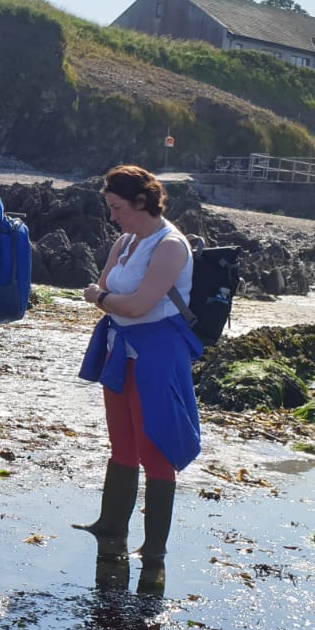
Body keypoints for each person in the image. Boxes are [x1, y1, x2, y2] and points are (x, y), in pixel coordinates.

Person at [75, 165, 202, 563]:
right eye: (110, 208)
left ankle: (154, 548)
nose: (113, 217)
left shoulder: (170, 245)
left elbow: (136, 304)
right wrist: (105, 298)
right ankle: (110, 524)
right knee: (122, 441)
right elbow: (108, 288)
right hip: (120, 348)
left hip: (159, 354)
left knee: (156, 445)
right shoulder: (126, 241)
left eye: (118, 208)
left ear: (142, 201)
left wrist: (100, 299)